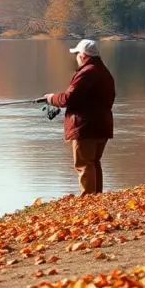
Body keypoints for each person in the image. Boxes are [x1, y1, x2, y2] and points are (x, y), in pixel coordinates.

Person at [43, 39, 116, 195]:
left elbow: (68, 98)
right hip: (102, 125)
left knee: (83, 163)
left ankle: (88, 199)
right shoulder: (104, 72)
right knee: (94, 162)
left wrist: (51, 98)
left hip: (85, 127)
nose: (76, 57)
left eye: (77, 54)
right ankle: (96, 197)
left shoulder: (87, 73)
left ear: (83, 56)